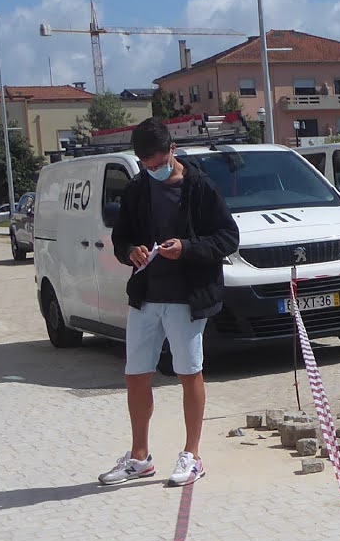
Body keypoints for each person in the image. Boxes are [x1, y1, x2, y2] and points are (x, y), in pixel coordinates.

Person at [98, 118, 241, 489]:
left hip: (186, 298)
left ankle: (192, 456)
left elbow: (228, 237)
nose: (153, 171)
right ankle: (140, 457)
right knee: (135, 375)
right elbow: (121, 238)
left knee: (188, 372)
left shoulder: (201, 187)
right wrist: (132, 251)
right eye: (146, 165)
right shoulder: (137, 189)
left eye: (158, 163)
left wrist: (188, 248)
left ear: (172, 150)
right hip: (145, 296)